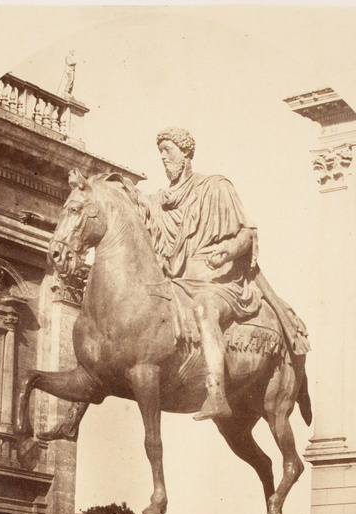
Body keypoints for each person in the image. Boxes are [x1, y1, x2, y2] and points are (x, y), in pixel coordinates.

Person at [132, 127, 309, 421]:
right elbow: (135, 207)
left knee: (203, 308)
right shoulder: (159, 201)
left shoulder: (216, 187)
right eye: (160, 151)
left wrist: (227, 251)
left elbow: (246, 234)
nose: (163, 157)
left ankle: (215, 392)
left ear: (186, 152)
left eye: (169, 150)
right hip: (178, 282)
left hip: (219, 283)